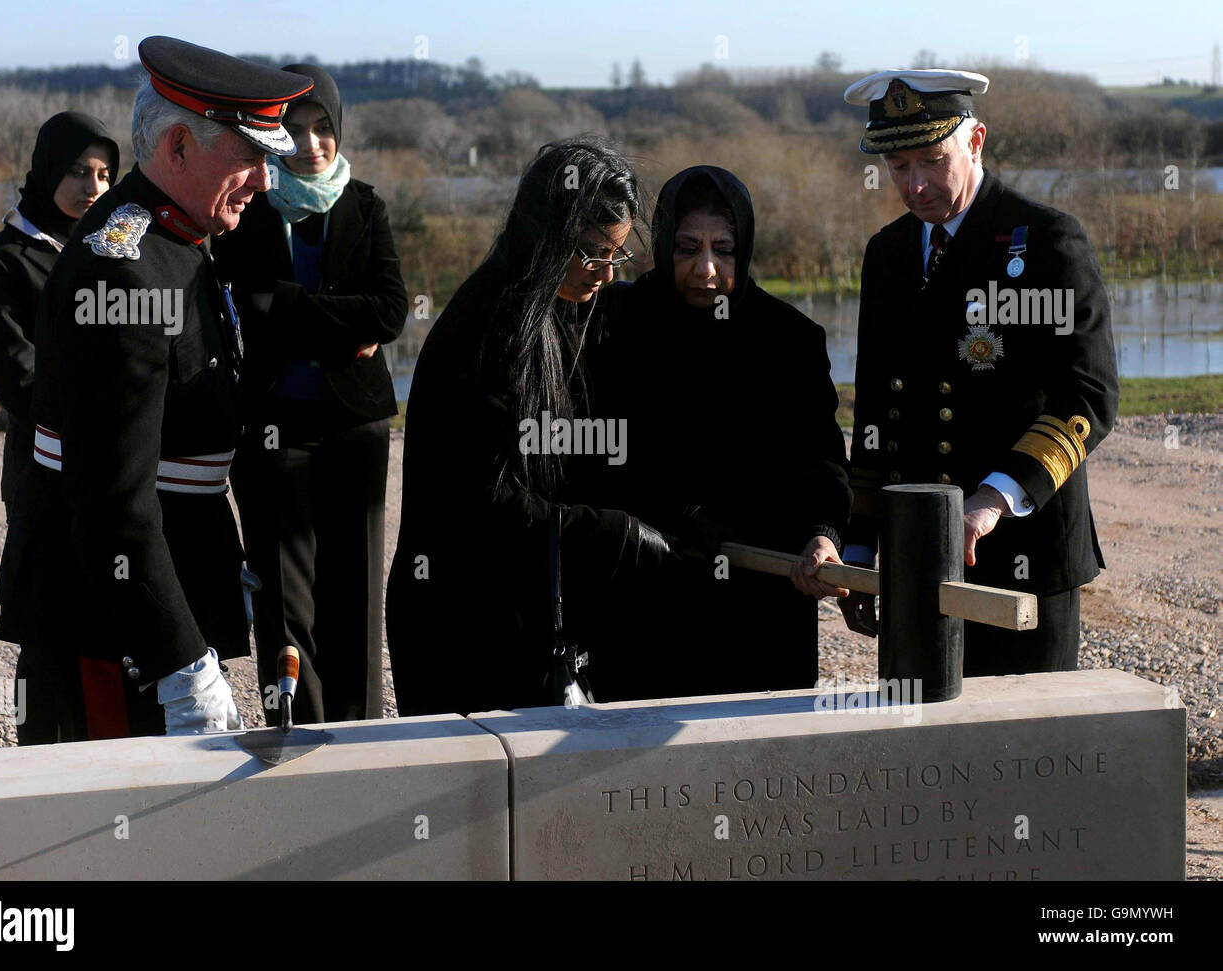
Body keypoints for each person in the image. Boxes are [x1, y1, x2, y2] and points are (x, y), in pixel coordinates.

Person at [0, 36, 315, 741]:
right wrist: (177, 658)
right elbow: (113, 501)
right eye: (252, 156)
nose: (265, 179)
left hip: (157, 593)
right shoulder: (123, 269)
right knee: (106, 836)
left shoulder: (181, 239)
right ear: (177, 147)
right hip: (109, 622)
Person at [838, 69, 1119, 675]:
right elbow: (874, 415)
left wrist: (992, 499)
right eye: (898, 167)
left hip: (1024, 551)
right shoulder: (886, 254)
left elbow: (1089, 397)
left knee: (1027, 753)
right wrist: (860, 545)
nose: (915, 186)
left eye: (932, 161)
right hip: (916, 555)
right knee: (920, 748)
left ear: (976, 141)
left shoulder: (1045, 240)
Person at [386, 137, 676, 717]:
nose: (602, 272)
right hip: (459, 620)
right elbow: (481, 500)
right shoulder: (489, 329)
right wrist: (610, 534)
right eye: (589, 252)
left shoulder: (568, 305)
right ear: (543, 234)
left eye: (615, 256)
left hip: (521, 608)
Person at [594, 165, 852, 701]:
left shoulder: (790, 340)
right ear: (663, 243)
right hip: (647, 594)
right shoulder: (616, 324)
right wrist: (684, 518)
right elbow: (599, 457)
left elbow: (822, 464)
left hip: (762, 604)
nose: (705, 269)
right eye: (687, 248)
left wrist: (824, 534)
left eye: (724, 250)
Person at [212, 63, 408, 726]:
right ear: (272, 135)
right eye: (294, 130)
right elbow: (252, 300)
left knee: (354, 592)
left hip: (356, 426)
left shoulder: (367, 205)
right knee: (283, 596)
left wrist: (293, 310)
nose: (311, 143)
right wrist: (333, 321)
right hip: (272, 425)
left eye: (323, 128)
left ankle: (357, 738)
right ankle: (299, 735)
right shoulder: (247, 209)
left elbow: (388, 314)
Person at [0, 111, 118, 744]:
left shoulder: (113, 251)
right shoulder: (1, 260)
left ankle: (108, 770)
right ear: (47, 171)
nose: (93, 186)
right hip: (46, 467)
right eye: (79, 171)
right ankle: (37, 772)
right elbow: (21, 380)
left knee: (110, 629)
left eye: (106, 173)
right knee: (48, 630)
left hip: (119, 466)